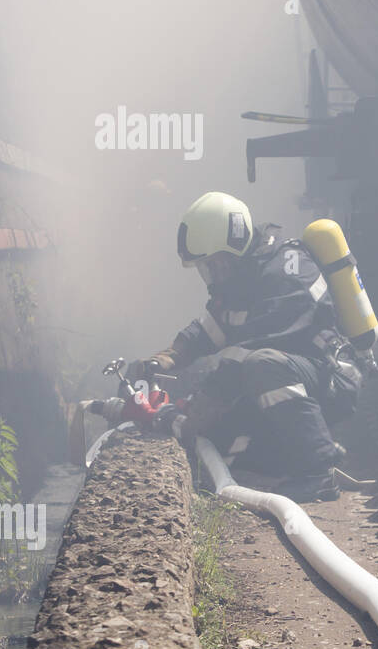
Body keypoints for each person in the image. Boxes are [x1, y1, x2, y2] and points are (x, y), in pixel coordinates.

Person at [127, 191, 361, 501]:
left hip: (328, 381)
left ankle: (318, 470)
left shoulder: (287, 272)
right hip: (285, 384)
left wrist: (199, 408)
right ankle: (281, 462)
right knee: (224, 442)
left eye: (213, 265)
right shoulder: (242, 275)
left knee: (260, 365)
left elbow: (248, 354)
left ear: (233, 249)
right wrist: (166, 359)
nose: (210, 275)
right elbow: (208, 330)